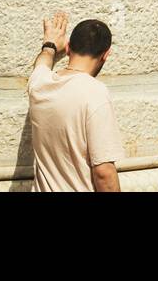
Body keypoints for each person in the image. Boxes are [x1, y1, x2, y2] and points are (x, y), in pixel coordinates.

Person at [27, 11, 125, 192]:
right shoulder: (95, 93)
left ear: (69, 47)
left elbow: (42, 62)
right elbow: (104, 172)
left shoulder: (39, 83)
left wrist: (49, 45)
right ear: (106, 55)